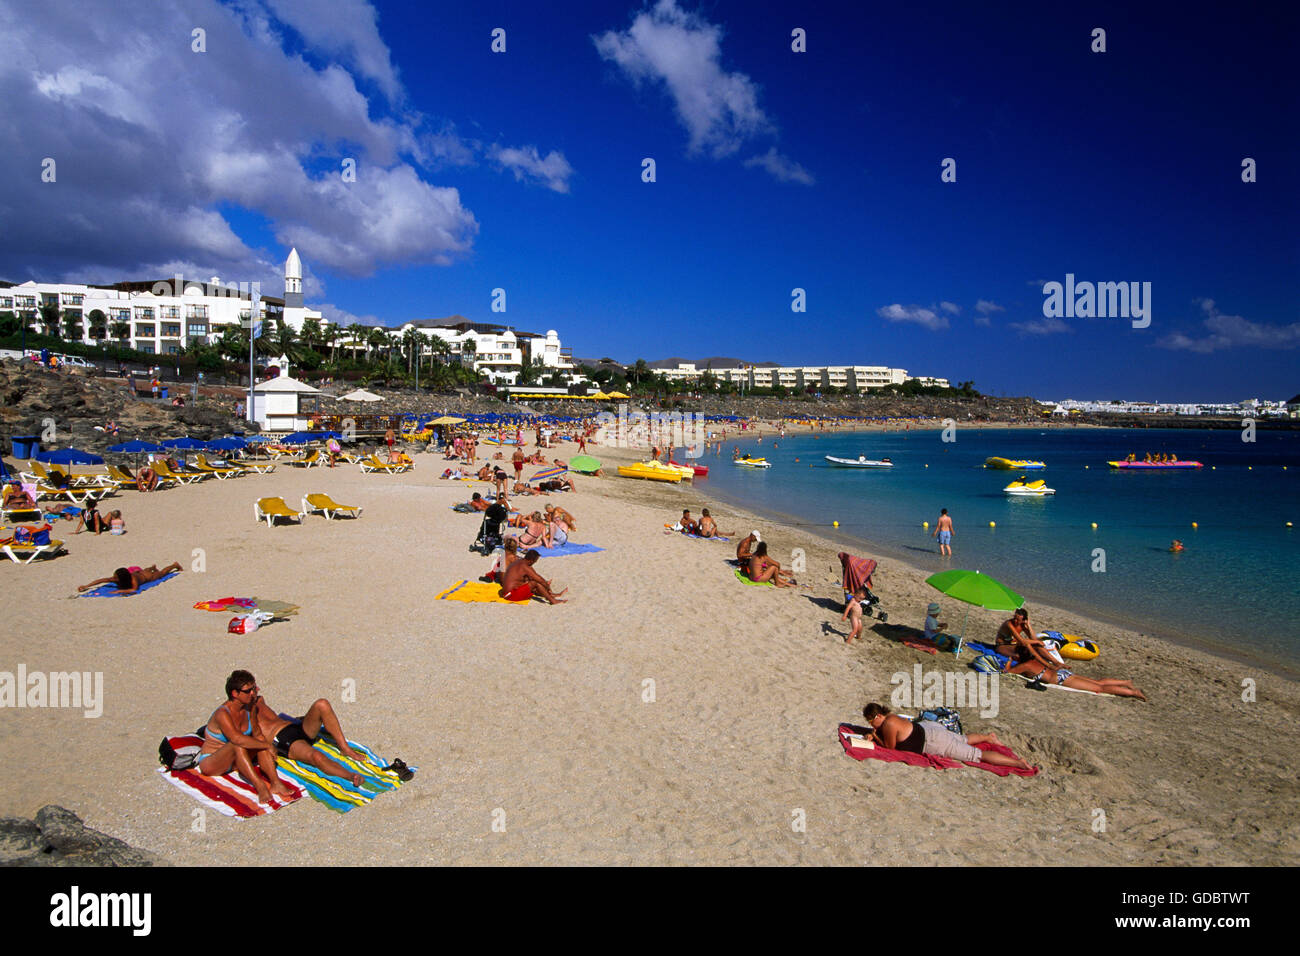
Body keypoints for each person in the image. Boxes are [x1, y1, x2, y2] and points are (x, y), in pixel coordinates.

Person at [996, 608, 1147, 699]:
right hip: (1059, 673)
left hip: (1060, 679)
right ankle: (1125, 683)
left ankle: (1133, 692)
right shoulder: (1032, 661)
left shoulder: (1026, 665)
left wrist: (1009, 662)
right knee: (1098, 682)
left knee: (1099, 689)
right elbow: (1034, 652)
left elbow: (1008, 671)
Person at [861, 703, 1033, 770]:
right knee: (962, 739)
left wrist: (875, 737)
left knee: (975, 755)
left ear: (877, 717)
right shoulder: (891, 719)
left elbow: (890, 748)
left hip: (932, 741)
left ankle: (1018, 763)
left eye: (871, 722)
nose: (871, 726)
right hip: (929, 730)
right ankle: (988, 738)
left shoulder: (889, 724)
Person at [498, 548, 568, 603]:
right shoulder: (525, 567)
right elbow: (539, 579)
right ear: (531, 560)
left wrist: (545, 585)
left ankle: (552, 595)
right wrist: (547, 587)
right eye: (535, 561)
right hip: (510, 595)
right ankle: (552, 600)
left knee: (532, 583)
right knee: (535, 583)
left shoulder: (520, 562)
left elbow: (535, 576)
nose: (534, 563)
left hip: (508, 592)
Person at [77, 562, 182, 596]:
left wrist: (119, 590)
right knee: (146, 570)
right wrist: (86, 586)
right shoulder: (116, 579)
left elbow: (134, 589)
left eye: (115, 577)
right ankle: (152, 567)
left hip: (147, 577)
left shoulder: (133, 580)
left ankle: (174, 565)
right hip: (139, 573)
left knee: (162, 573)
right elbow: (101, 580)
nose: (113, 578)